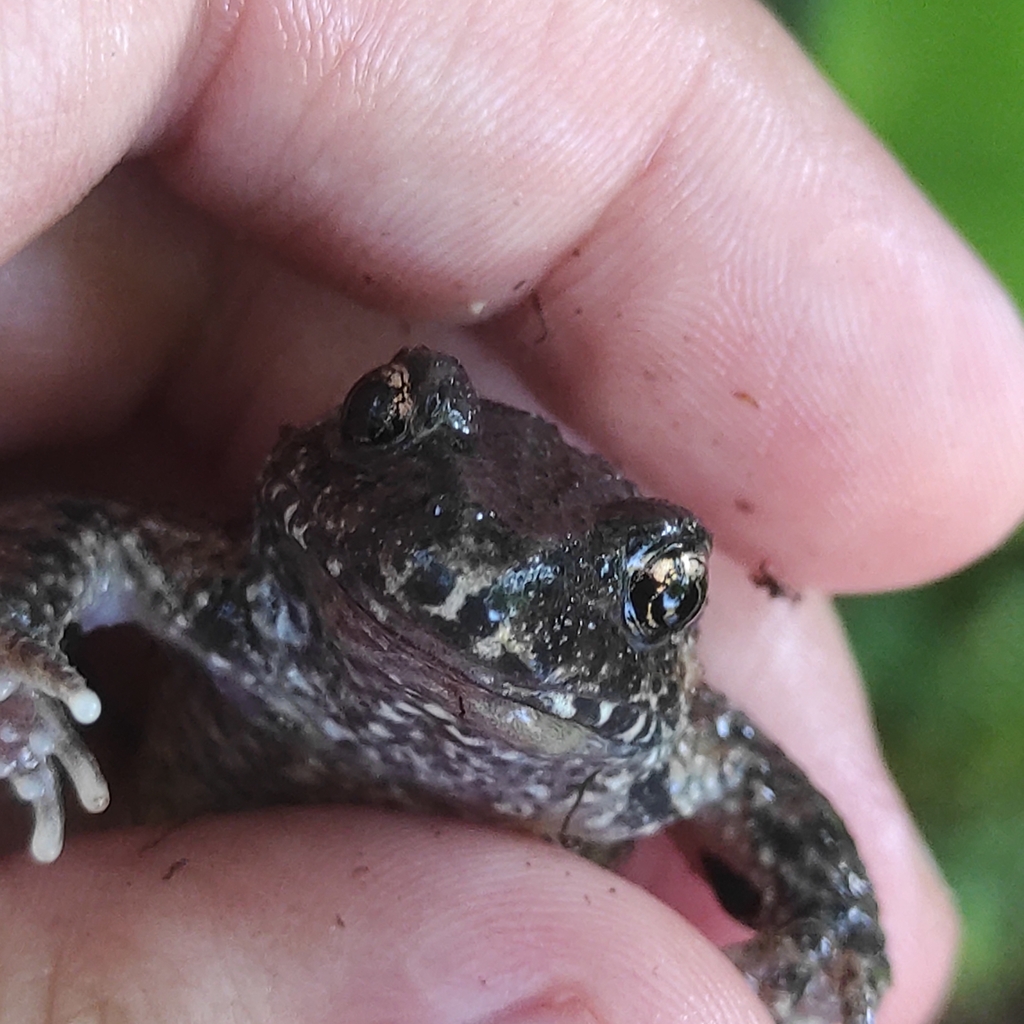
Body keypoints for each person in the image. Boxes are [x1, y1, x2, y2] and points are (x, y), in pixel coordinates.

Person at [2, 0, 1022, 1020]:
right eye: (384, 418)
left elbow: (837, 914)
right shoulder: (262, 594)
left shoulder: (669, 752)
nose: (485, 567)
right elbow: (82, 540)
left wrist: (814, 967)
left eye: (657, 590)